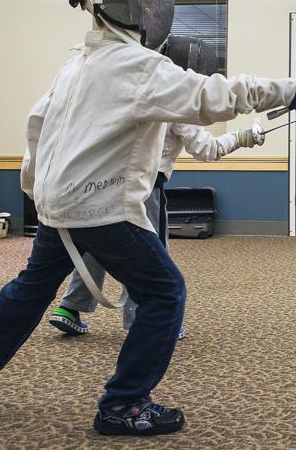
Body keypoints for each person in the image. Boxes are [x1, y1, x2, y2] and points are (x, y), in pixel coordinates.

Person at [0, 0, 296, 437]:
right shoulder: (138, 66)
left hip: (57, 207)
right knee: (163, 292)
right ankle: (124, 404)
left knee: (30, 290)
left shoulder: (76, 64)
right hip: (102, 208)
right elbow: (214, 94)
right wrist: (294, 90)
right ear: (132, 8)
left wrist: (38, 192)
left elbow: (36, 126)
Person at [47, 35, 260, 339]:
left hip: (106, 181)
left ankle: (70, 306)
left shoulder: (135, 84)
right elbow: (206, 150)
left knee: (100, 243)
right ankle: (143, 321)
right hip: (145, 185)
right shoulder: (176, 101)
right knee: (149, 254)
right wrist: (243, 138)